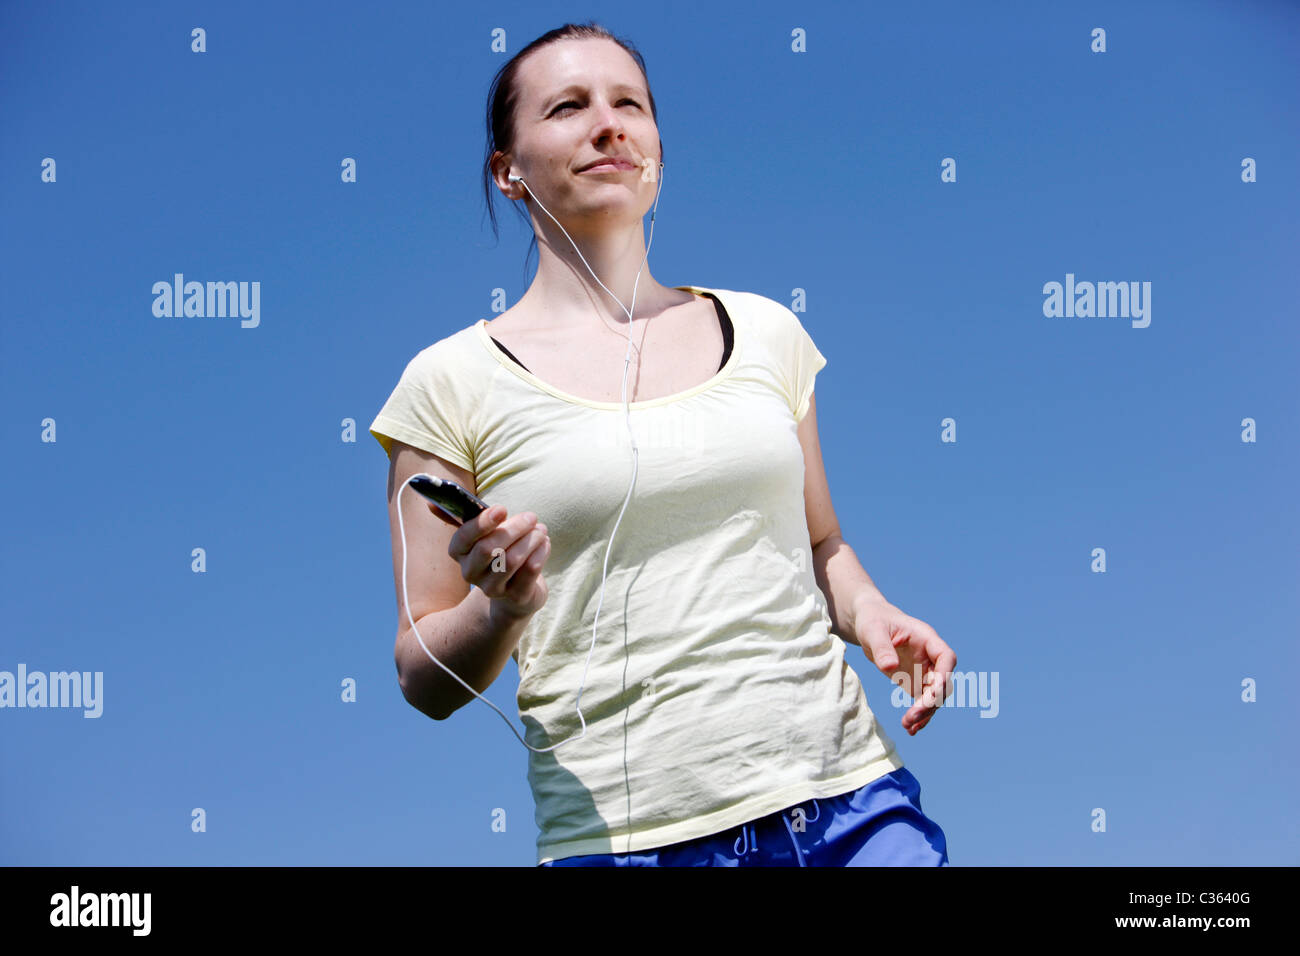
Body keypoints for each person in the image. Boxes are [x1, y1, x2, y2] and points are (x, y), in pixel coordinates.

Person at [369, 21, 957, 867]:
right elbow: (422, 673)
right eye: (568, 107)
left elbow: (818, 541)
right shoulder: (446, 382)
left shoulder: (765, 330)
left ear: (656, 147)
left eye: (629, 104)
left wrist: (874, 616)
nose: (607, 125)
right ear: (507, 172)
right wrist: (502, 609)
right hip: (629, 843)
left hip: (850, 804)